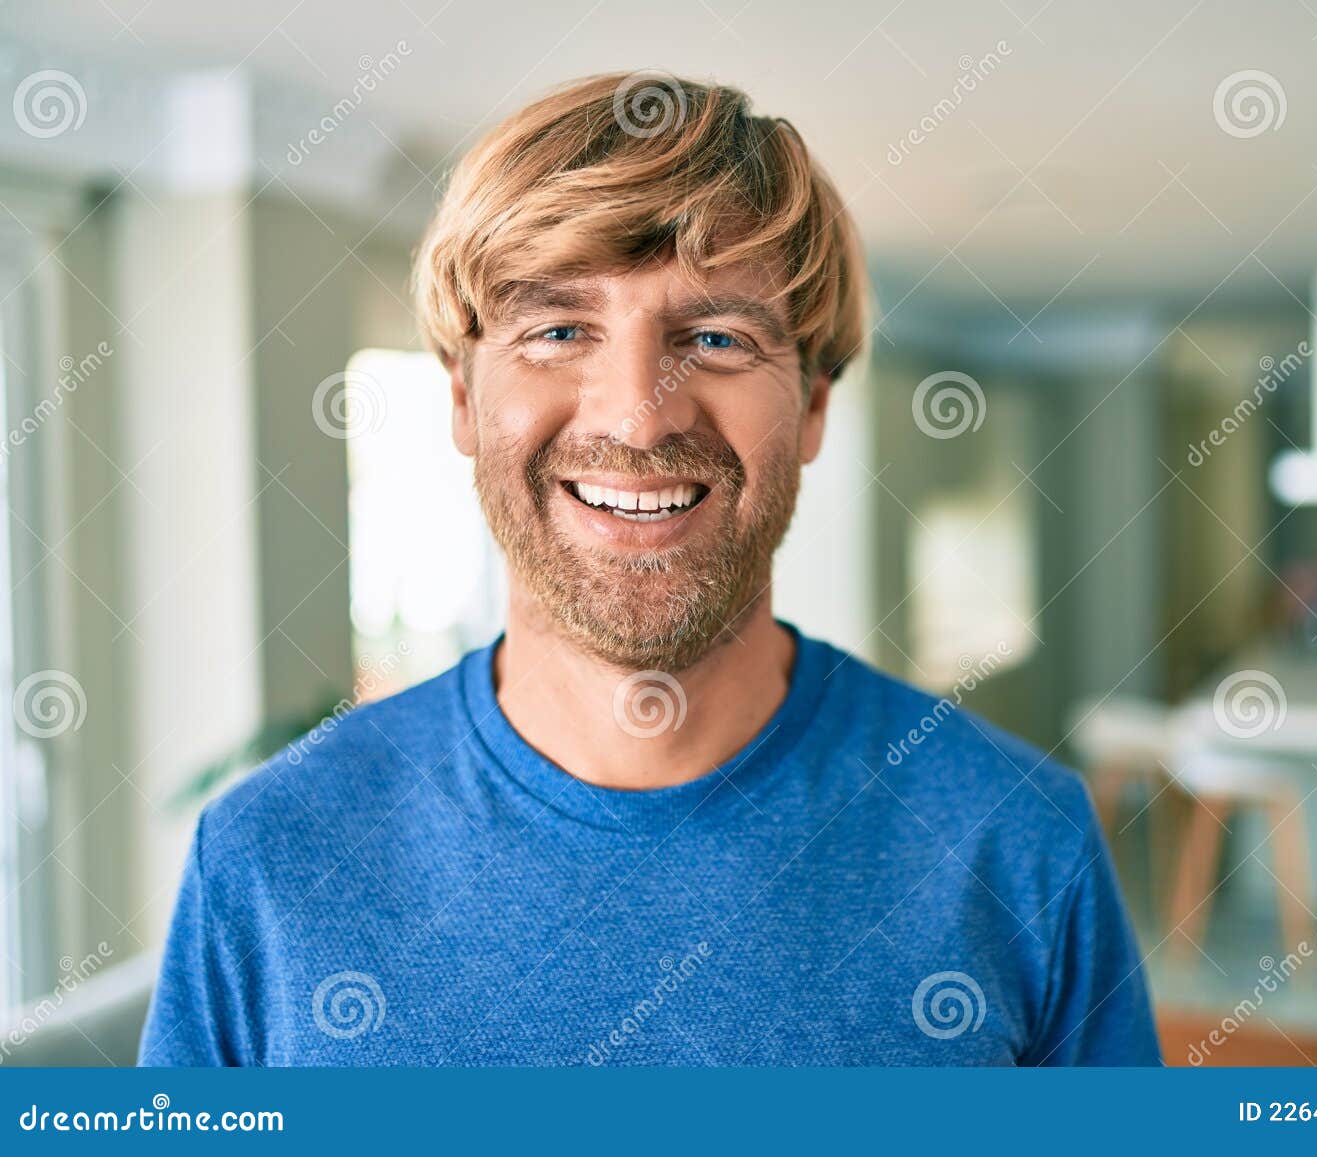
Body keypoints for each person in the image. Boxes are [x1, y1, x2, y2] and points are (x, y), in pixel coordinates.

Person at [139, 72, 1160, 1066]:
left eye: (714, 336)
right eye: (557, 330)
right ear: (461, 398)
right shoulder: (271, 851)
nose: (637, 412)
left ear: (810, 406)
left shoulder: (1017, 836)